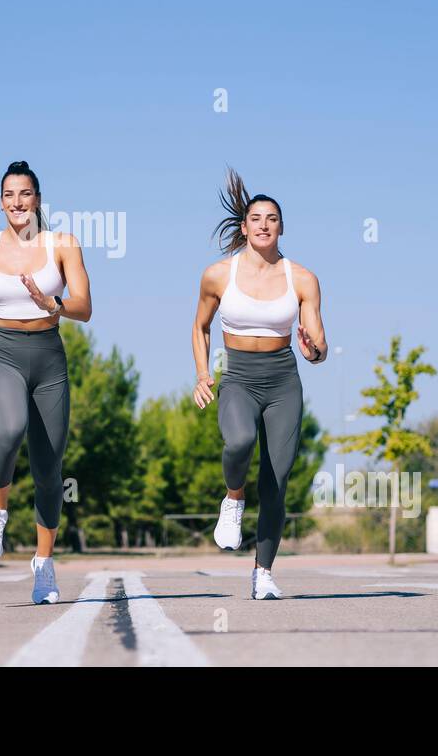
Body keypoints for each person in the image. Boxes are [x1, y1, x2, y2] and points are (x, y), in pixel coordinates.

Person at [0, 160, 92, 604]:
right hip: (2, 355)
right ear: (1, 202)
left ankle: (44, 566)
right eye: (10, 195)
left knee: (49, 470)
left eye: (26, 194)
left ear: (38, 199)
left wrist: (52, 303)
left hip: (50, 359)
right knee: (11, 428)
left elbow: (85, 307)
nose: (18, 202)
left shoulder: (63, 244)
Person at [191, 168, 327, 599]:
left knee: (277, 478)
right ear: (245, 226)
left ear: (281, 227)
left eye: (272, 219)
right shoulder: (218, 274)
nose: (264, 225)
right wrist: (202, 373)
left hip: (284, 380)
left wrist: (314, 349)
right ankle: (233, 499)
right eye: (256, 218)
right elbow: (199, 327)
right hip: (239, 377)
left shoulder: (302, 278)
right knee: (238, 442)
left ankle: (263, 572)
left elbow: (317, 344)